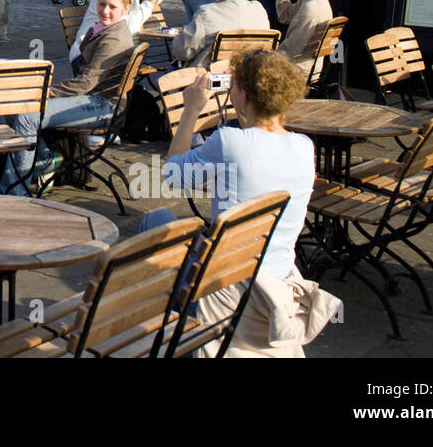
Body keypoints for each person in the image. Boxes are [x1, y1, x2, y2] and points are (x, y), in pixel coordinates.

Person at [144, 51, 336, 356]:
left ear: (244, 95)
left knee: (155, 220)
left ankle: (162, 324)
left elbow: (172, 174)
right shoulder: (304, 146)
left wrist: (191, 110)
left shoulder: (229, 141)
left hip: (225, 286)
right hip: (277, 278)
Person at [3, 0, 137, 196]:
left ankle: (17, 193)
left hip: (102, 105)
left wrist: (45, 92)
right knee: (15, 106)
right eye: (102, 4)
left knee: (28, 116)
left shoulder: (114, 38)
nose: (105, 11)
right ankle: (45, 161)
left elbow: (85, 83)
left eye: (112, 7)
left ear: (126, 7)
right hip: (92, 96)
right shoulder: (103, 29)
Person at [69, 0, 163, 70]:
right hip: (86, 56)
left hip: (108, 52)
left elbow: (134, 29)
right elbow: (129, 27)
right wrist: (149, 3)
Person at [172, 0, 271, 68]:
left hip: (213, 76)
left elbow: (183, 51)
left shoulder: (207, 13)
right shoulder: (259, 9)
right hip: (250, 72)